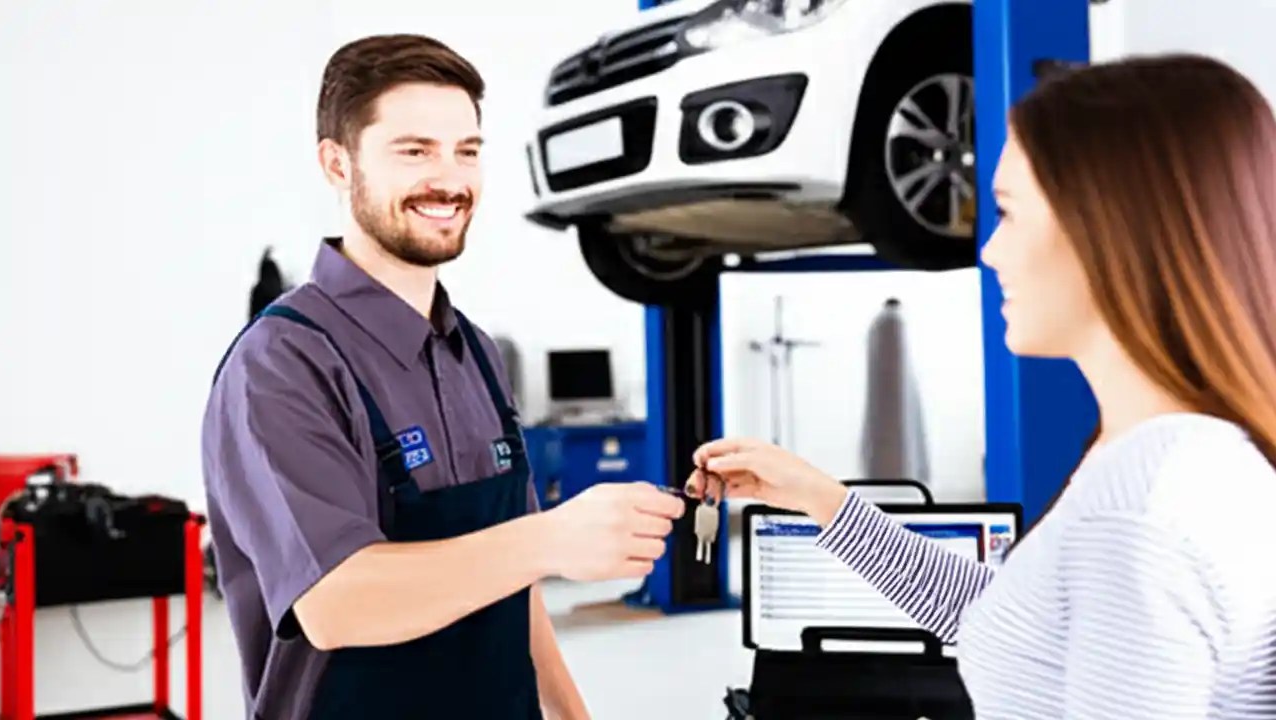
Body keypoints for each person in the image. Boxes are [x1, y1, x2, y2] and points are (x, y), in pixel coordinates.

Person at [690, 53, 1276, 719]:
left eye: (1008, 213)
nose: (991, 252)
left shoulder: (1133, 518)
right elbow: (1019, 628)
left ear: (1108, 227)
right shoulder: (1204, 457)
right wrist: (822, 500)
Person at [201, 34, 684, 720]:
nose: (450, 179)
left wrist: (573, 715)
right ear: (337, 164)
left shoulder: (477, 355)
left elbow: (514, 585)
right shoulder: (282, 364)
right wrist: (552, 540)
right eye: (415, 150)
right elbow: (337, 603)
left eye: (467, 150)